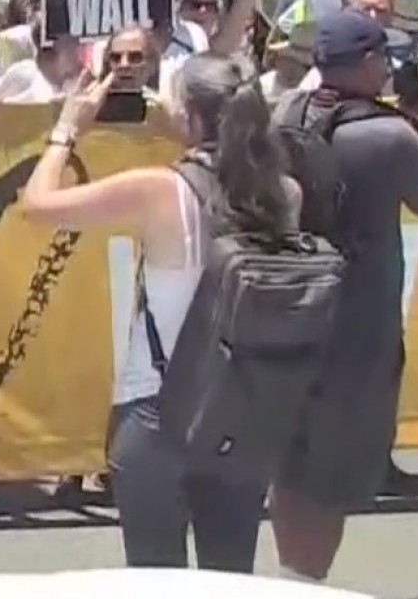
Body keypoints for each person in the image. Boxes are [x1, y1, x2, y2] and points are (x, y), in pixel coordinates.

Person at [20, 54, 294, 571]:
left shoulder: (159, 189)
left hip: (158, 412)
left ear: (190, 119)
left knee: (155, 579)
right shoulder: (284, 194)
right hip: (246, 414)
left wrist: (65, 131)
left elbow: (37, 205)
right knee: (231, 579)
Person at [269, 10, 418, 581]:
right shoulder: (389, 133)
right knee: (334, 473)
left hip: (290, 312)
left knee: (292, 463)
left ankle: (289, 575)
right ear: (369, 61)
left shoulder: (285, 114)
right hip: (358, 326)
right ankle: (309, 585)